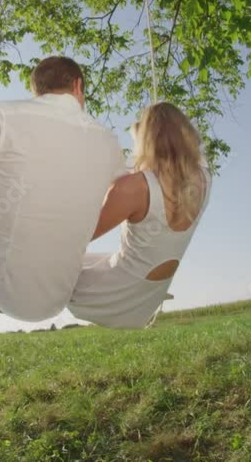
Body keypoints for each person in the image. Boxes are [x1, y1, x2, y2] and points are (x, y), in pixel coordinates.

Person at [0, 56, 127, 321]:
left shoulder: (2, 115)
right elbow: (129, 197)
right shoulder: (108, 141)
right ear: (78, 86)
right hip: (58, 298)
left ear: (37, 89)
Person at [68, 102, 212, 328]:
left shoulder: (133, 188)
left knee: (54, 262)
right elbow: (164, 174)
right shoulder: (204, 178)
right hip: (146, 300)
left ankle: (1, 289)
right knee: (83, 261)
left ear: (145, 141)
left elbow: (78, 237)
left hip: (113, 297)